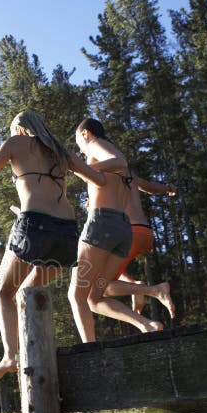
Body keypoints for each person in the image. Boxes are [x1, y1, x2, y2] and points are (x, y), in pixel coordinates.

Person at [0, 111, 106, 380]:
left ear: (19, 129)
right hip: (66, 234)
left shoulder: (14, 143)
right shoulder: (61, 152)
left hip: (34, 225)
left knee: (2, 290)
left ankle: (11, 355)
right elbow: (99, 180)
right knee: (26, 294)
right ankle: (31, 354)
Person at [68, 118, 165, 342]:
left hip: (102, 225)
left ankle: (88, 351)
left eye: (78, 142)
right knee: (94, 298)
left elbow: (118, 161)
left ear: (85, 134)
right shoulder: (115, 163)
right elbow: (112, 178)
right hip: (122, 229)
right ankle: (147, 324)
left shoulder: (94, 145)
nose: (81, 149)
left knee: (76, 295)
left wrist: (83, 167)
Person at [106, 174, 176, 317]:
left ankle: (153, 290)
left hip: (129, 232)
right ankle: (133, 283)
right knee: (107, 264)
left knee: (99, 286)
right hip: (145, 233)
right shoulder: (131, 176)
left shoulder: (106, 177)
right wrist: (168, 188)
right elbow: (151, 187)